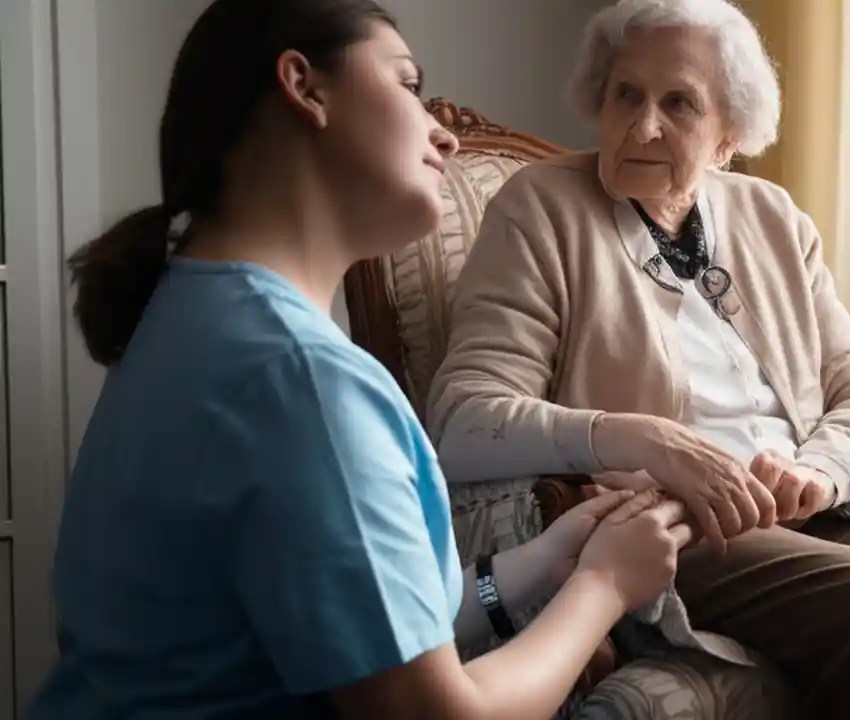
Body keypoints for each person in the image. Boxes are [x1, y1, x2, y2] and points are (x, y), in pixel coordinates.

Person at [427, 0, 850, 717]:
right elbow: (463, 418)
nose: (641, 124)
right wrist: (642, 438)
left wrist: (815, 473)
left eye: (678, 102)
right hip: (675, 526)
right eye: (626, 93)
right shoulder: (540, 209)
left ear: (729, 138)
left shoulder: (773, 217)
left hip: (809, 509)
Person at [24, 1, 692, 718]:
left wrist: (542, 565)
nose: (446, 134)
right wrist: (605, 589)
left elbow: (373, 629)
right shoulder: (300, 380)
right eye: (406, 84)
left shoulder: (192, 321)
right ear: (305, 88)